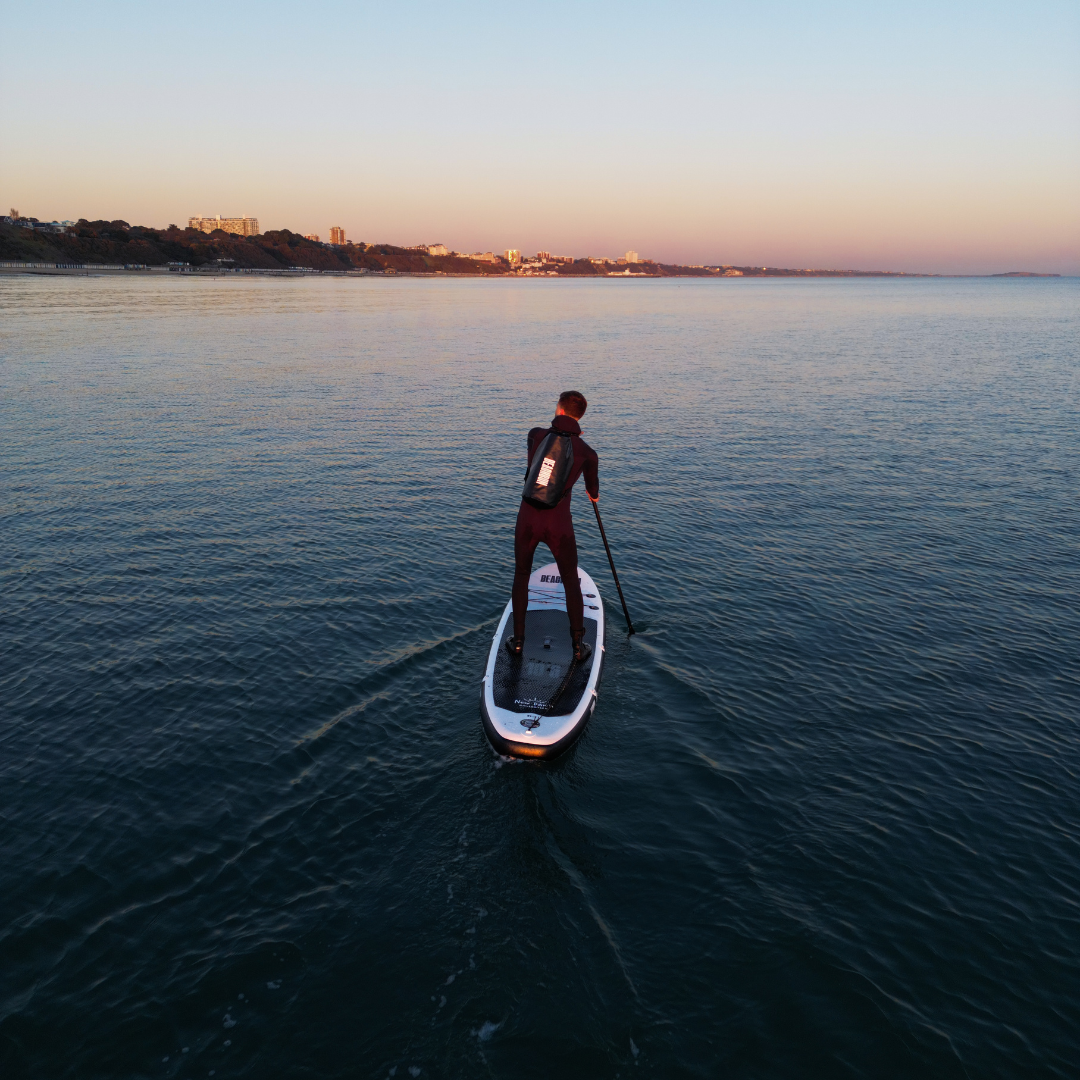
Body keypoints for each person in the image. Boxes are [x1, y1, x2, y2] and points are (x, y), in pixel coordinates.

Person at [507, 390, 599, 663]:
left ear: (558, 410)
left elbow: (537, 467)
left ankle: (520, 641)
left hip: (527, 519)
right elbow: (593, 491)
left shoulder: (535, 435)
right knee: (570, 579)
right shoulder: (587, 454)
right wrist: (592, 493)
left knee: (522, 574)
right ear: (580, 416)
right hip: (558, 525)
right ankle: (578, 645)